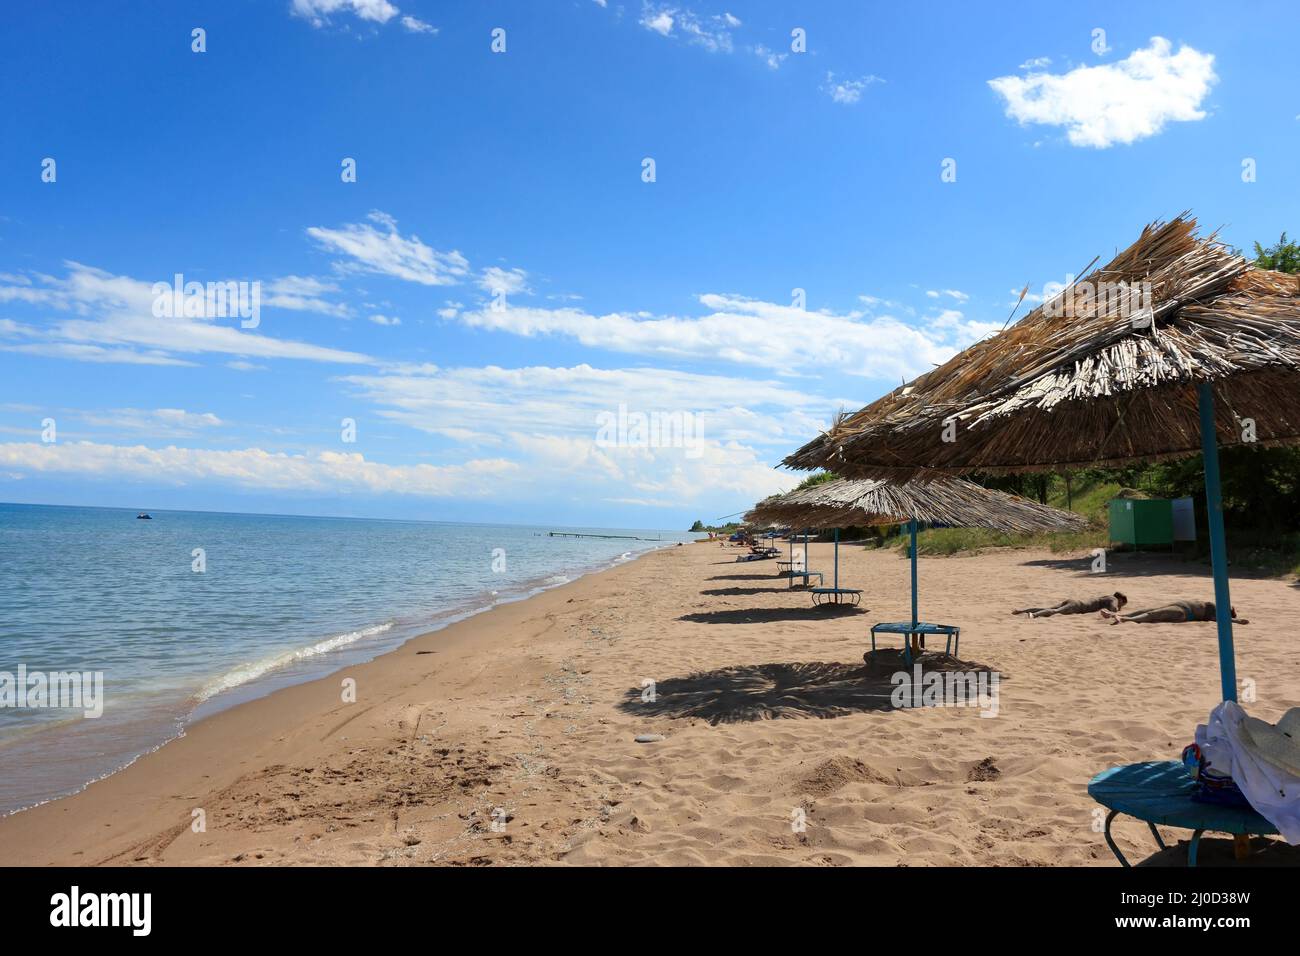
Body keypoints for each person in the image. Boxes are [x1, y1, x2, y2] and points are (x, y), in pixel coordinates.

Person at [1100, 600, 1249, 625]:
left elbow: (1219, 620)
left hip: (1183, 612)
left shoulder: (1215, 613)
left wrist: (1237, 621)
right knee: (1148, 610)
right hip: (1179, 605)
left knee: (1153, 615)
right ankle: (1114, 615)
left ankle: (1125, 619)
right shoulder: (1215, 605)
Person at [1012, 592, 1127, 619]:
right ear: (1120, 599)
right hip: (1078, 606)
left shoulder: (1106, 596)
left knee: (1048, 608)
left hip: (1075, 601)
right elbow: (1114, 608)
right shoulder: (1113, 599)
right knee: (1055, 612)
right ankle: (1033, 615)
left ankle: (1021, 611)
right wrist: (1119, 608)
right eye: (1123, 603)